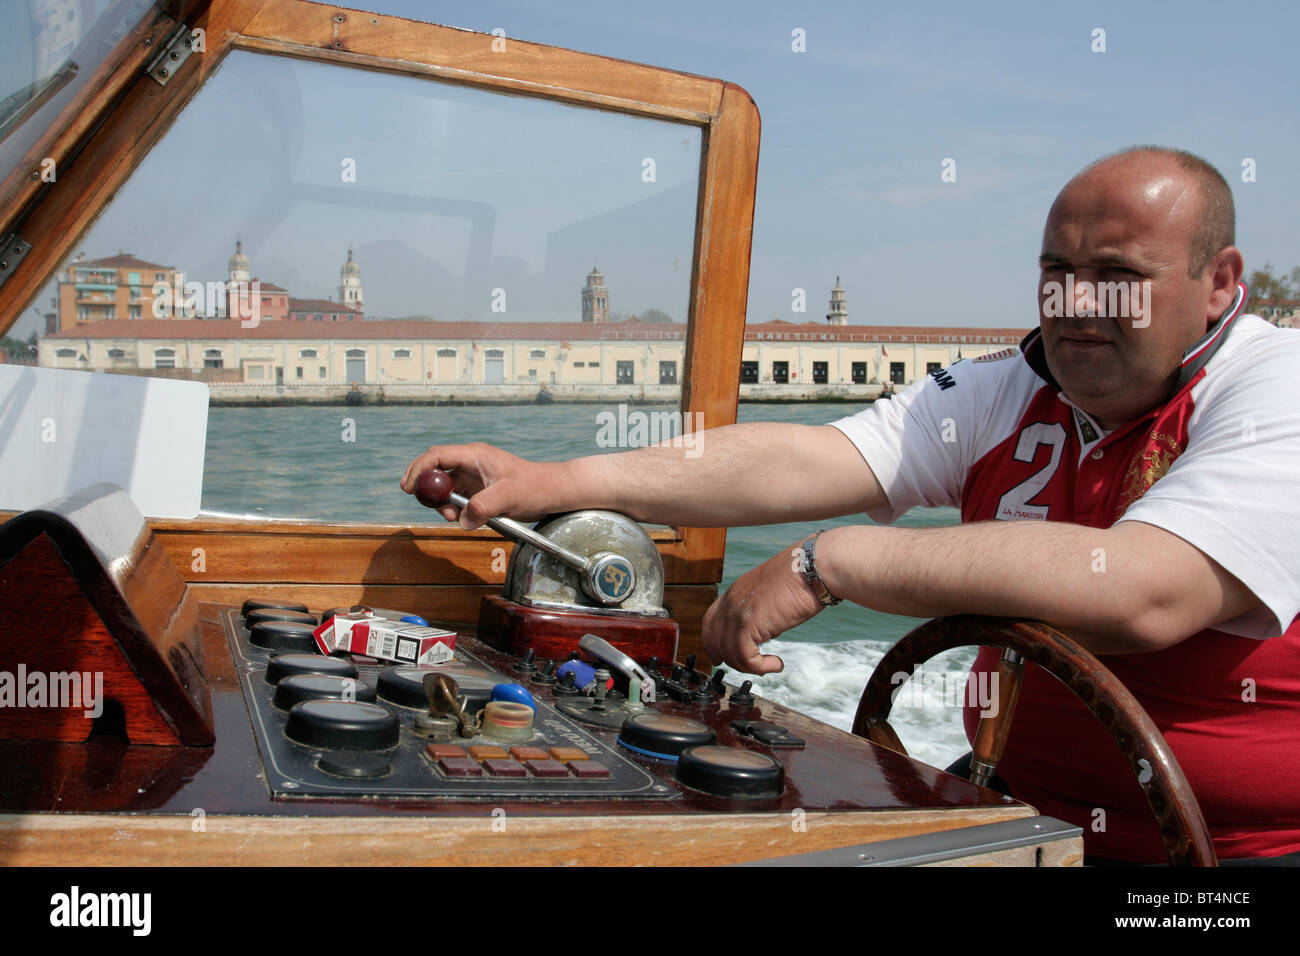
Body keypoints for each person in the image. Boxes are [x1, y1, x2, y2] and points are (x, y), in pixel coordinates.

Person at [401, 146, 1300, 864]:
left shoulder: (1275, 389)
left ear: (1220, 282)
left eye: (1117, 274)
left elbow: (1148, 590)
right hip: (1019, 814)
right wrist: (555, 482)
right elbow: (810, 455)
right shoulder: (1008, 387)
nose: (1075, 303)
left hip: (1231, 859)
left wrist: (833, 562)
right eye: (1055, 270)